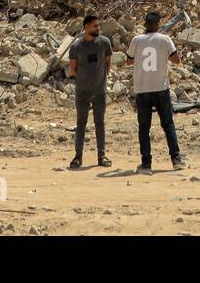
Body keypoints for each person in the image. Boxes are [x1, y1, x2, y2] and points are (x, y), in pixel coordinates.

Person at [125, 11, 185, 173]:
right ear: (158, 24)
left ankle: (146, 164)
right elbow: (176, 60)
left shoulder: (137, 40)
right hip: (161, 87)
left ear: (145, 24)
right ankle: (176, 159)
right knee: (168, 124)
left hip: (143, 88)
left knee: (144, 127)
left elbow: (129, 61)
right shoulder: (165, 39)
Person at [68, 14, 112, 169]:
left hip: (99, 91)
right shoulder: (76, 47)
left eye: (98, 25)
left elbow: (107, 65)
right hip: (82, 91)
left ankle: (102, 156)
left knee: (100, 123)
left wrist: (99, 80)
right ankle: (78, 156)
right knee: (81, 123)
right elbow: (72, 69)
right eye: (94, 26)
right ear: (86, 27)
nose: (97, 28)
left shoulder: (104, 43)